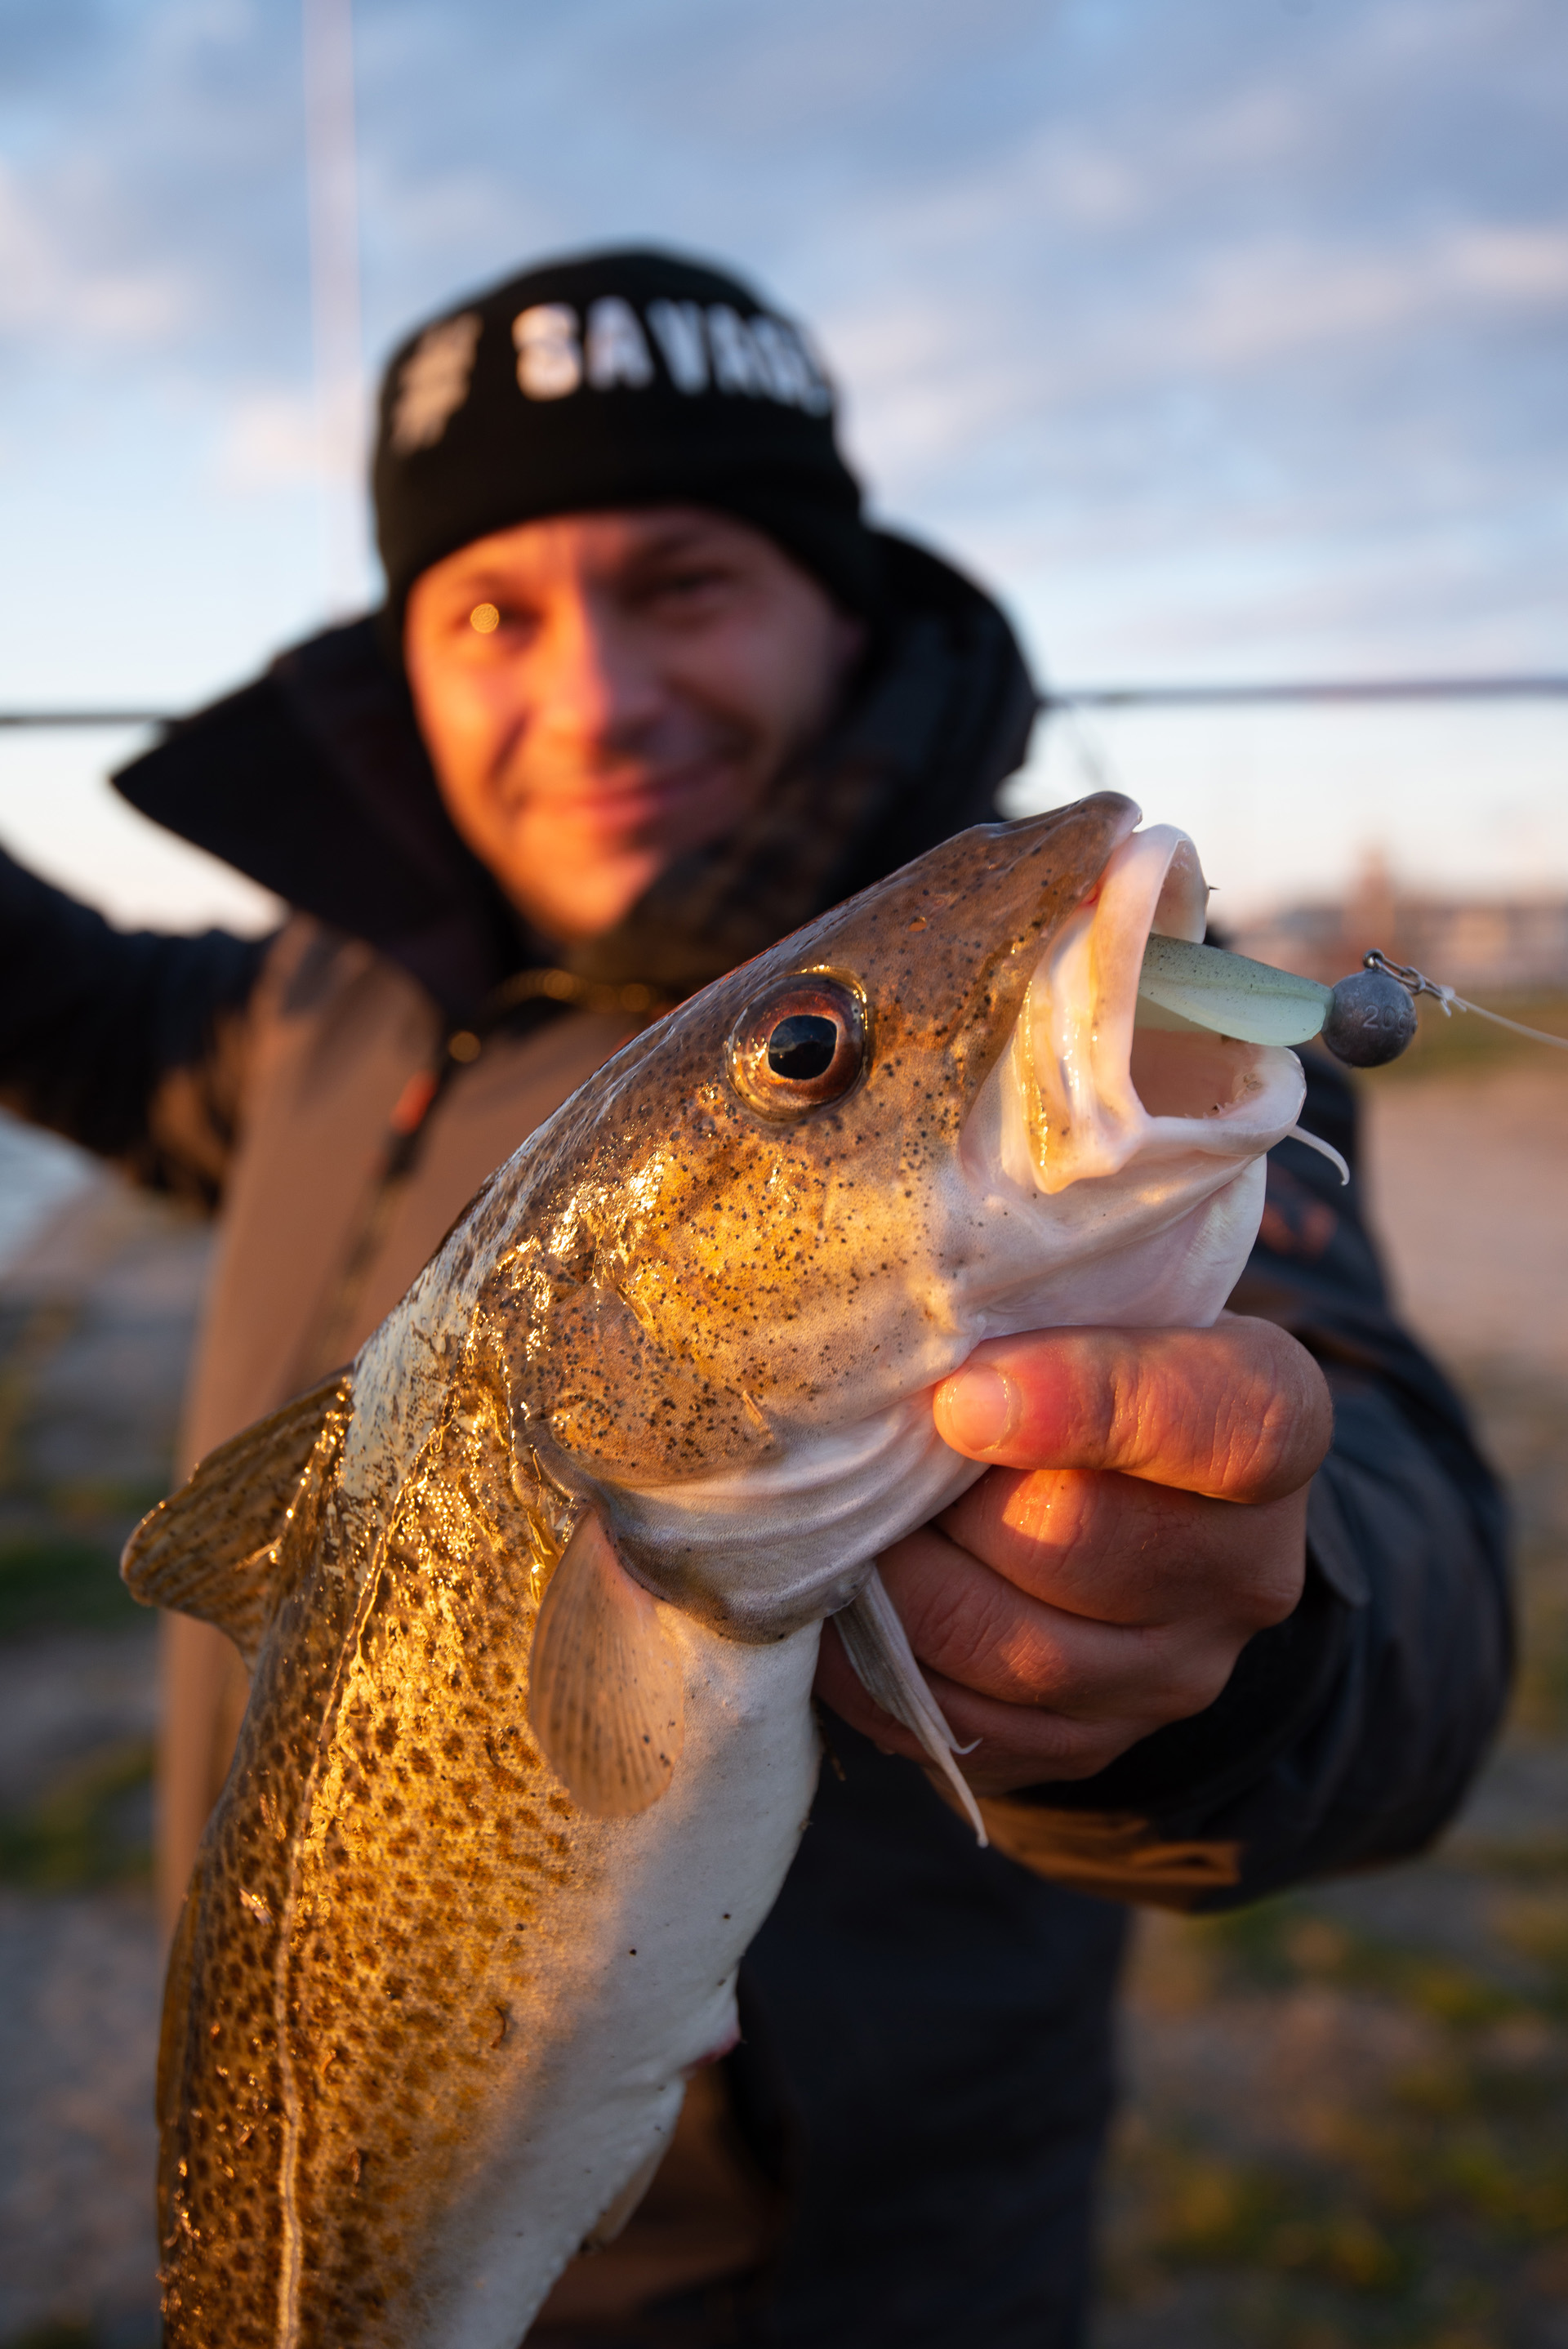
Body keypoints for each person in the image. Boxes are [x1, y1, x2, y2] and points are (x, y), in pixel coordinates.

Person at [0, 247, 1509, 2347]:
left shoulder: (1081, 1060)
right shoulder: (314, 1005)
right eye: (492, 613)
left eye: (685, 581)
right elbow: (52, 992)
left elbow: (1410, 1590)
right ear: (406, 656)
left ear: (837, 602)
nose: (595, 693)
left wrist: (1218, 1648)